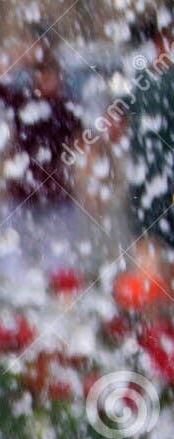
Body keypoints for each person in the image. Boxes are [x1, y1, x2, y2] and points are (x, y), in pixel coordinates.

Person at [0, 28, 85, 278]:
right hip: (19, 195)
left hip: (58, 196)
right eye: (40, 75)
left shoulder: (67, 107)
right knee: (13, 268)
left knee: (61, 268)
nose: (46, 82)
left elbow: (84, 145)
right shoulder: (21, 100)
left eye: (51, 75)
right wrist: (16, 55)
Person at [120, 14, 174, 273]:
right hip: (151, 183)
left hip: (149, 184)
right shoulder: (143, 70)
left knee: (150, 264)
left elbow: (114, 125)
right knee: (151, 262)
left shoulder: (141, 72)